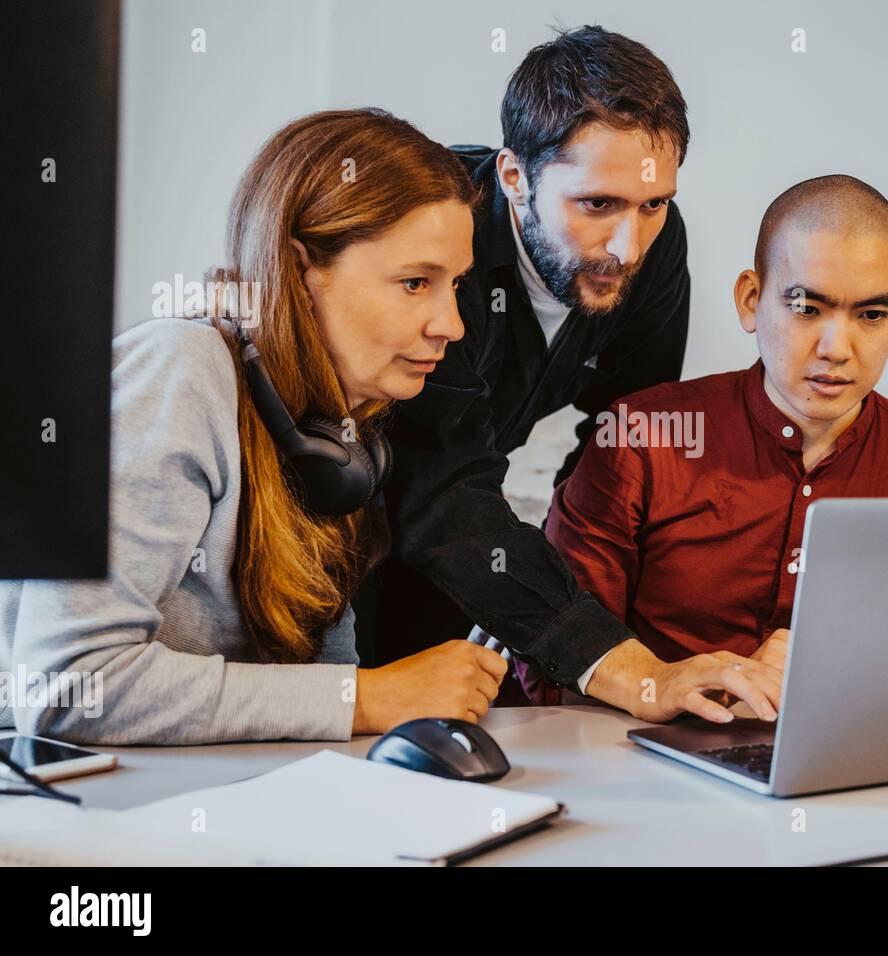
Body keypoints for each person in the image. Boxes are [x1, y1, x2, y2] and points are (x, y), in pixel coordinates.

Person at [0, 108, 509, 744]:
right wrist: (368, 697)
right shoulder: (180, 371)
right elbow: (69, 687)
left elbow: (313, 695)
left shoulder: (333, 441)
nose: (452, 325)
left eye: (456, 284)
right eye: (414, 282)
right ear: (300, 272)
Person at [371, 27, 785, 724]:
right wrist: (624, 669)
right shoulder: (437, 238)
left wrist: (589, 620)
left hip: (462, 512)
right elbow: (440, 493)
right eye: (597, 205)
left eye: (652, 204)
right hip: (355, 519)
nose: (628, 248)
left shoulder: (653, 243)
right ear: (513, 178)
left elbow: (625, 440)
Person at [520, 175, 888, 703]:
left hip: (856, 770)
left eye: (872, 315)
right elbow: (555, 664)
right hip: (644, 758)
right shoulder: (640, 439)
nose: (837, 348)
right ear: (750, 298)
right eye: (807, 308)